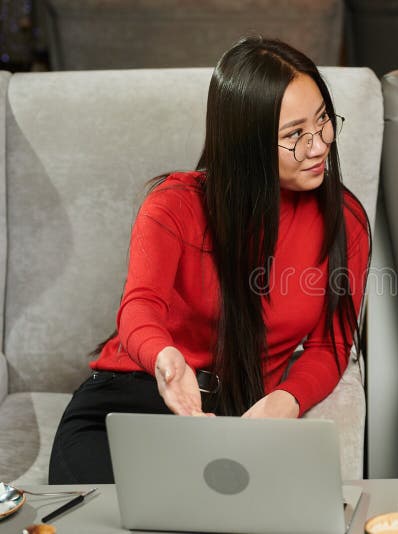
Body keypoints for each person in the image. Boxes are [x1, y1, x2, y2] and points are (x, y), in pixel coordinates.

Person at [49, 37, 371, 484]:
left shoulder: (345, 221)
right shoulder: (174, 205)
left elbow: (329, 346)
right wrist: (165, 359)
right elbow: (139, 306)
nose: (318, 146)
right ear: (246, 143)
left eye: (323, 120)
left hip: (235, 415)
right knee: (107, 509)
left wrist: (287, 400)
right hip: (133, 398)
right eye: (294, 135)